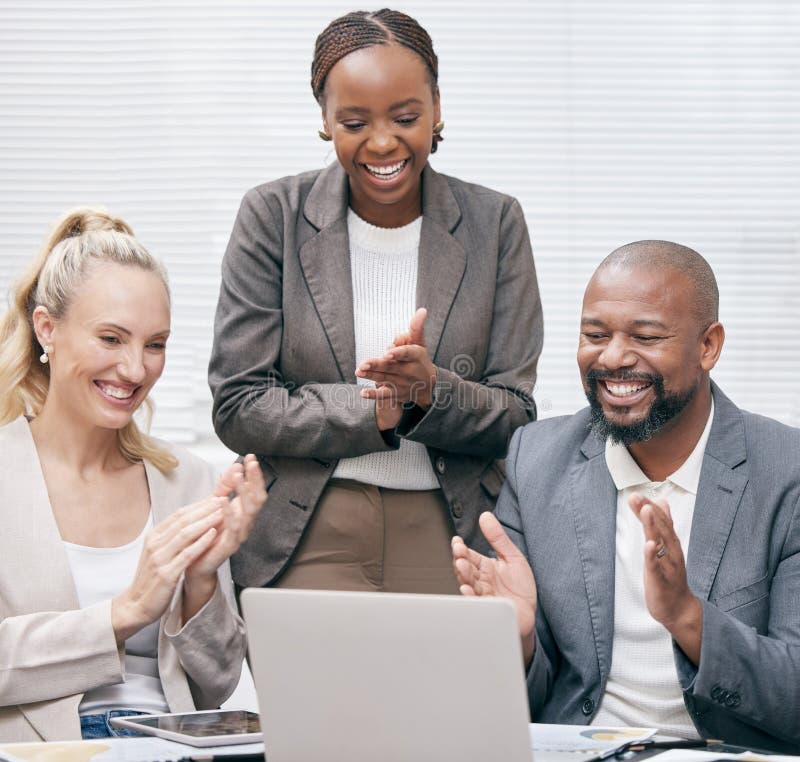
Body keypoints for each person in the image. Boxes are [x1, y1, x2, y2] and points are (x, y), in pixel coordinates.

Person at [209, 9, 542, 593]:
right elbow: (238, 405)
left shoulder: (496, 224)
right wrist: (376, 410)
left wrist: (428, 394)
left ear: (437, 107)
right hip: (308, 528)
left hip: (454, 532)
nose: (383, 141)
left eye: (406, 116)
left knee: (453, 688)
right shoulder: (273, 217)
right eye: (355, 121)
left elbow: (516, 416)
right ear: (325, 120)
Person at [452, 241, 800, 753]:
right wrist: (521, 640)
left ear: (708, 346)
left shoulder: (785, 470)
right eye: (595, 335)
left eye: (645, 336)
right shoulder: (538, 456)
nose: (613, 357)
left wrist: (687, 617)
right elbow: (521, 700)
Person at [0, 209, 267, 742]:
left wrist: (201, 581)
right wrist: (123, 614)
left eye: (155, 344)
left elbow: (216, 684)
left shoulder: (186, 482)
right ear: (46, 328)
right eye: (111, 338)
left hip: (167, 746)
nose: (134, 369)